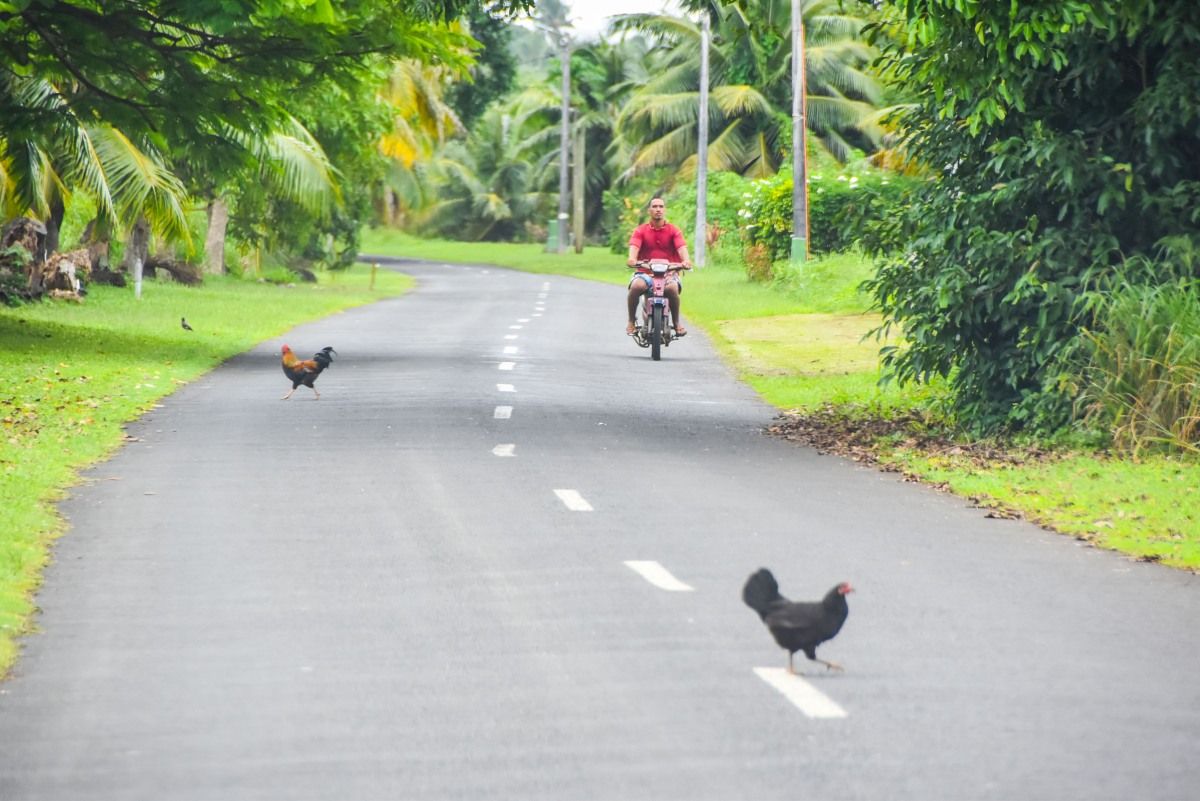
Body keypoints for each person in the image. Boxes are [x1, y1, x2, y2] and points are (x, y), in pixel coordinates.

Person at [626, 196, 691, 336]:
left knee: (672, 289)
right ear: (649, 210)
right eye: (654, 206)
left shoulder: (674, 230)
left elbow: (681, 248)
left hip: (669, 274)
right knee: (636, 287)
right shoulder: (640, 231)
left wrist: (686, 260)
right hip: (645, 274)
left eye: (661, 206)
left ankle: (676, 323)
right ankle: (631, 321)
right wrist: (632, 259)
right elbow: (634, 247)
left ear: (665, 210)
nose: (658, 209)